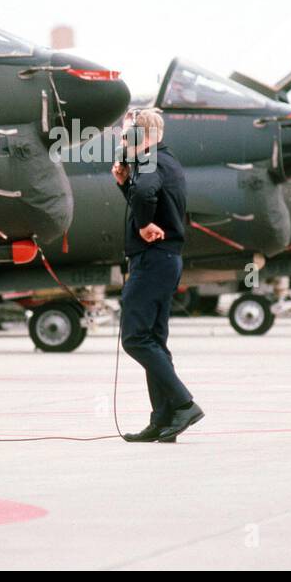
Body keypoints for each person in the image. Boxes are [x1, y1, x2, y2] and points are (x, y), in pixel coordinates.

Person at [111, 108, 203, 443]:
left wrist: (145, 225)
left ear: (142, 134)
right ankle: (163, 419)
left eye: (125, 135)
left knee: (135, 338)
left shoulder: (149, 162)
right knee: (154, 341)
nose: (121, 142)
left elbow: (146, 193)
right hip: (167, 260)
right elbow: (143, 195)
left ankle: (184, 403)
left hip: (151, 261)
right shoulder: (168, 161)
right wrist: (125, 185)